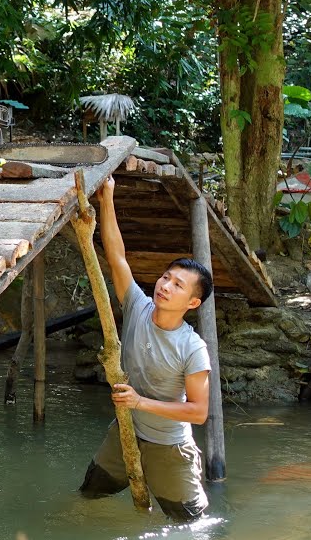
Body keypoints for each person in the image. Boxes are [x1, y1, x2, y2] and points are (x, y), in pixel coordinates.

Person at [78, 176, 213, 521]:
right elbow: (117, 258)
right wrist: (107, 198)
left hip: (169, 447)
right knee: (90, 495)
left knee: (189, 523)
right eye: (166, 277)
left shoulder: (193, 347)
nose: (165, 286)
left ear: (193, 302)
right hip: (126, 429)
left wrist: (140, 402)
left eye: (178, 285)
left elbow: (199, 412)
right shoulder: (138, 305)